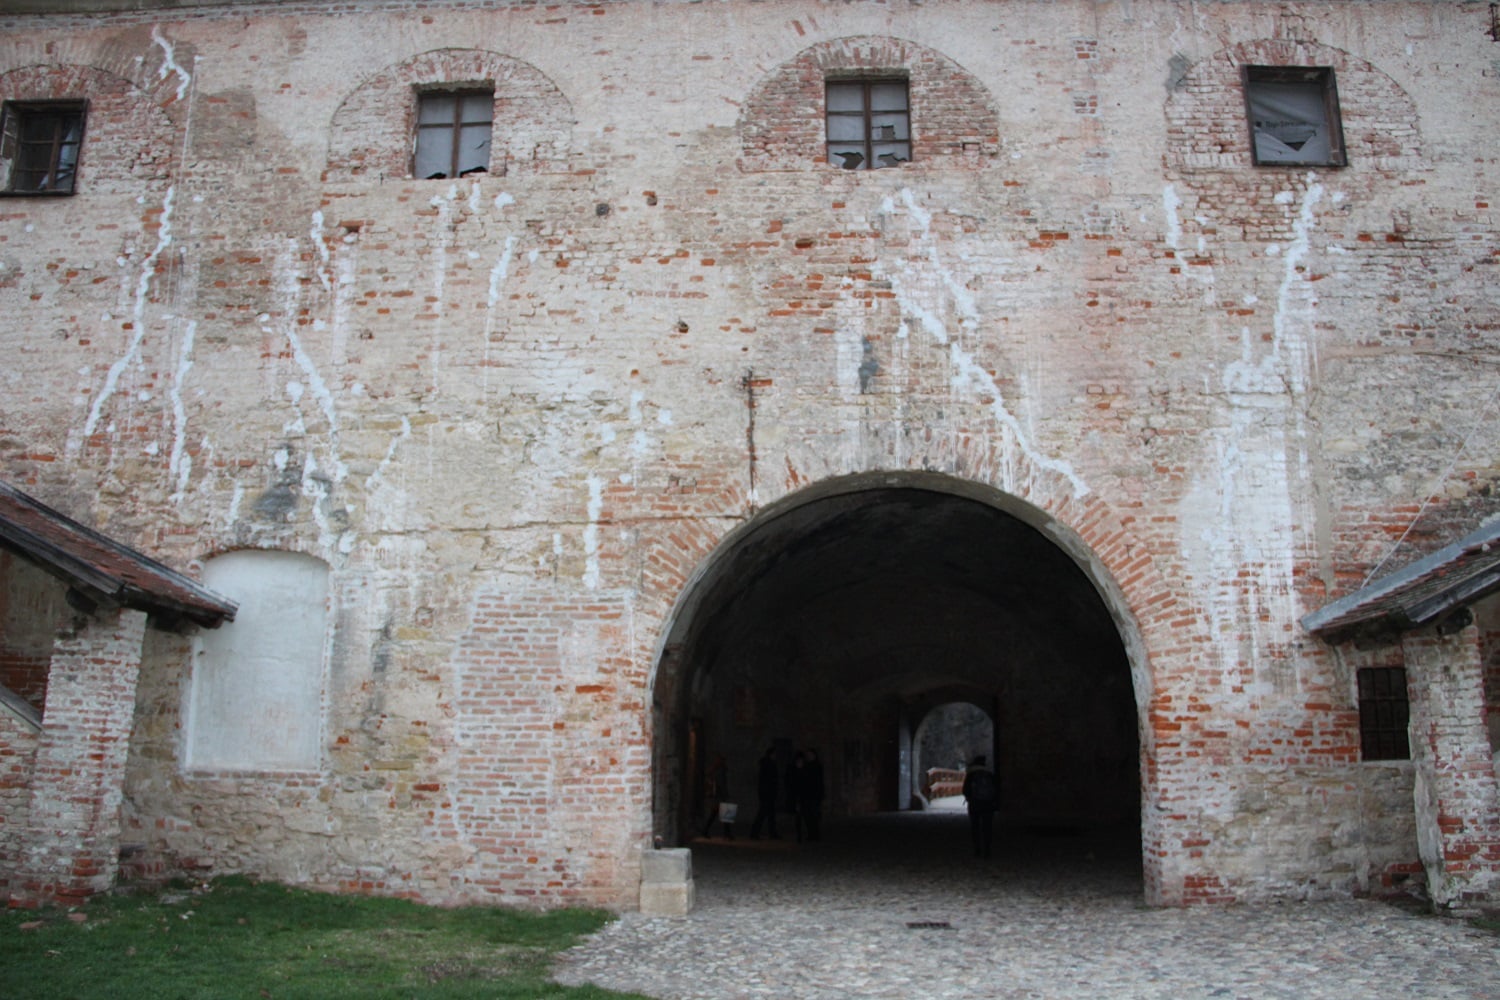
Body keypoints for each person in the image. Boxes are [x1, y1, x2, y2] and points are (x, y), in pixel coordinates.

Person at [962, 754, 999, 858]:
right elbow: (997, 789)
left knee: (975, 827)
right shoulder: (989, 774)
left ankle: (977, 850)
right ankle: (987, 850)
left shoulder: (971, 775)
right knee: (987, 827)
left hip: (975, 804)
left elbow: (965, 790)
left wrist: (969, 798)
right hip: (988, 804)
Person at [701, 753, 735, 839]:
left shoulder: (716, 771)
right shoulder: (720, 771)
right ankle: (727, 834)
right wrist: (725, 795)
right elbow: (721, 784)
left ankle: (707, 830)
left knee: (716, 814)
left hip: (717, 796)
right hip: (720, 796)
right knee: (725, 814)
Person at [750, 746, 779, 840]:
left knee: (770, 814)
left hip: (768, 793)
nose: (776, 756)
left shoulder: (767, 764)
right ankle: (754, 833)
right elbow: (768, 781)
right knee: (762, 813)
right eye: (775, 754)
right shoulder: (768, 765)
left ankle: (772, 833)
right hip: (767, 794)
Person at [799, 748, 825, 842]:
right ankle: (811, 835)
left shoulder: (816, 766)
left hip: (813, 795)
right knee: (807, 816)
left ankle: (814, 835)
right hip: (807, 795)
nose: (809, 756)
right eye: (808, 755)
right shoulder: (807, 766)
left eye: (810, 755)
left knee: (813, 816)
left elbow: (815, 781)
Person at [786, 751, 805, 842]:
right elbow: (790, 783)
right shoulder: (793, 771)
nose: (800, 763)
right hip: (797, 796)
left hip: (804, 796)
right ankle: (799, 835)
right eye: (798, 761)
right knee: (798, 817)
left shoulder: (805, 770)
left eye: (801, 761)